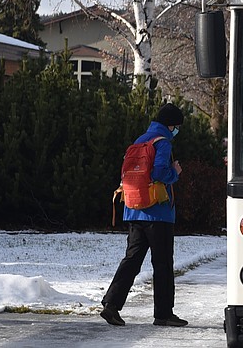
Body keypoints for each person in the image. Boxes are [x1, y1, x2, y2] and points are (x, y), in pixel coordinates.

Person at [100, 103, 188, 328]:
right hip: (158, 213)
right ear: (171, 125)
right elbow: (159, 173)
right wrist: (175, 173)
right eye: (177, 127)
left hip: (134, 209)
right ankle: (164, 313)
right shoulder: (163, 142)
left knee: (131, 260)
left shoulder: (140, 140)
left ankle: (111, 305)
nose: (176, 131)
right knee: (163, 264)